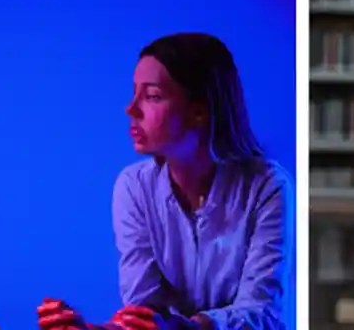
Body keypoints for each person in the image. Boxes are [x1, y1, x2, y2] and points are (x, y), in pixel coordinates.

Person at [36, 33, 293, 330]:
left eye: (153, 96)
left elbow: (263, 313)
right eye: (134, 93)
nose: (131, 109)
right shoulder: (134, 187)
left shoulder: (268, 187)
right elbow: (143, 314)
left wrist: (187, 327)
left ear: (199, 111)